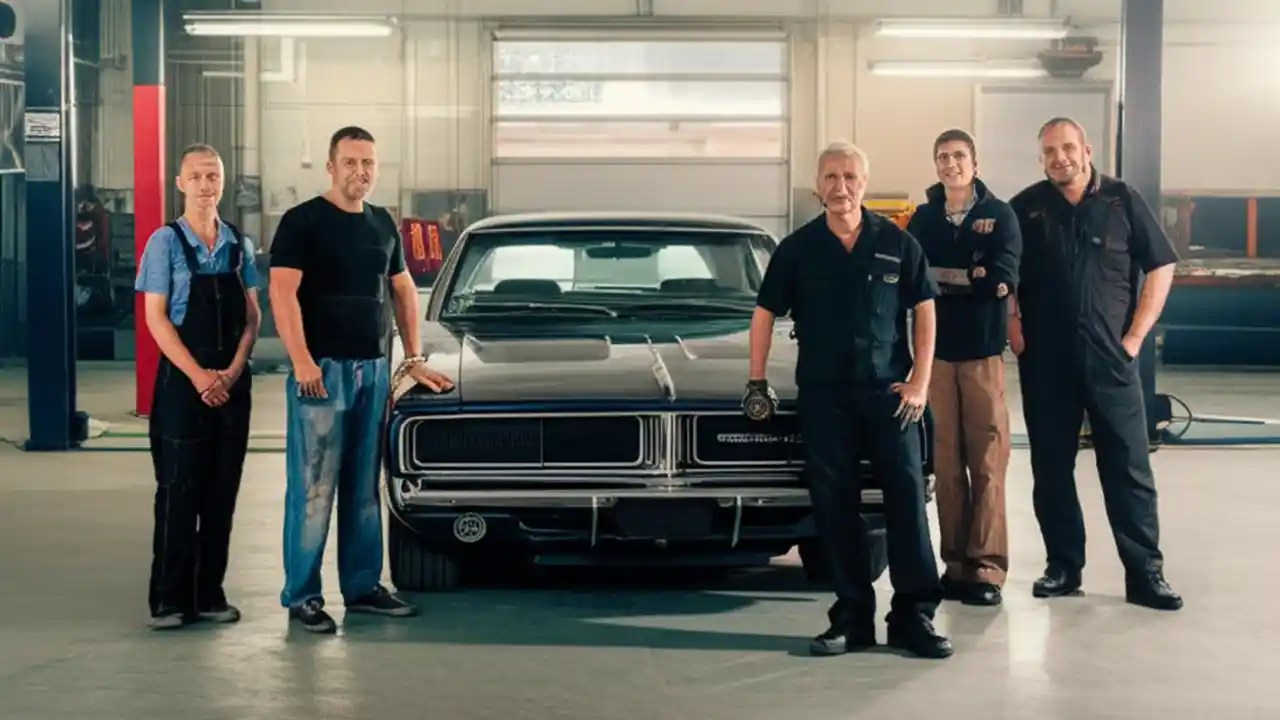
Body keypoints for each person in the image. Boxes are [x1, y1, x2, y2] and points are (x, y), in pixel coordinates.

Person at [744, 140, 952, 659]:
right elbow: (764, 313)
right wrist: (755, 379)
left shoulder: (897, 243)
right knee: (834, 508)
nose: (841, 187)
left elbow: (925, 309)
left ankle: (914, 616)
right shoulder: (797, 248)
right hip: (824, 398)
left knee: (906, 500)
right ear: (818, 186)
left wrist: (921, 381)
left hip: (890, 397)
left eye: (850, 177)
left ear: (865, 182)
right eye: (831, 177)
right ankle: (852, 616)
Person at [269, 126, 456, 634]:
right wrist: (303, 360)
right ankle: (303, 595)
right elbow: (282, 294)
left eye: (368, 162)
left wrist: (412, 358)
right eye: (350, 162)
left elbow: (403, 293)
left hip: (372, 371)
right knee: (312, 489)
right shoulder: (302, 222)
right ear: (331, 166)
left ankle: (363, 587)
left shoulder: (382, 224)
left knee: (362, 489)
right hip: (322, 375)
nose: (361, 172)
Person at [1008, 117, 1182, 611]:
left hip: (1111, 360)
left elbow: (1162, 265)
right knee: (1051, 467)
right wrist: (1013, 325)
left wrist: (1135, 337)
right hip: (1046, 362)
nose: (1059, 157)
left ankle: (1145, 572)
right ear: (1041, 158)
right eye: (1049, 151)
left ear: (1086, 149)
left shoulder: (1123, 201)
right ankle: (1064, 566)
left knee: (1127, 466)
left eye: (1067, 147)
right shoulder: (1026, 208)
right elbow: (1004, 272)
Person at [136, 143, 260, 629]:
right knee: (178, 489)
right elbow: (156, 319)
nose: (207, 185)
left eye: (214, 176)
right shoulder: (163, 243)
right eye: (198, 176)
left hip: (231, 381)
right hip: (184, 382)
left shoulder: (238, 245)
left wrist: (230, 372)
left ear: (222, 182)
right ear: (181, 183)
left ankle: (209, 595)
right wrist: (199, 376)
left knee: (221, 491)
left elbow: (252, 318)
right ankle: (170, 599)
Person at [905, 129, 1021, 607]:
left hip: (982, 357)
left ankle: (987, 568)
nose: (950, 164)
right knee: (947, 465)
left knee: (989, 463)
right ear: (935, 166)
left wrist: (955, 278)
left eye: (958, 156)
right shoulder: (924, 218)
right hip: (936, 360)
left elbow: (1000, 278)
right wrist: (966, 275)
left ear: (975, 161)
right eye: (942, 157)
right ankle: (954, 565)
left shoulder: (1000, 215)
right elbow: (915, 280)